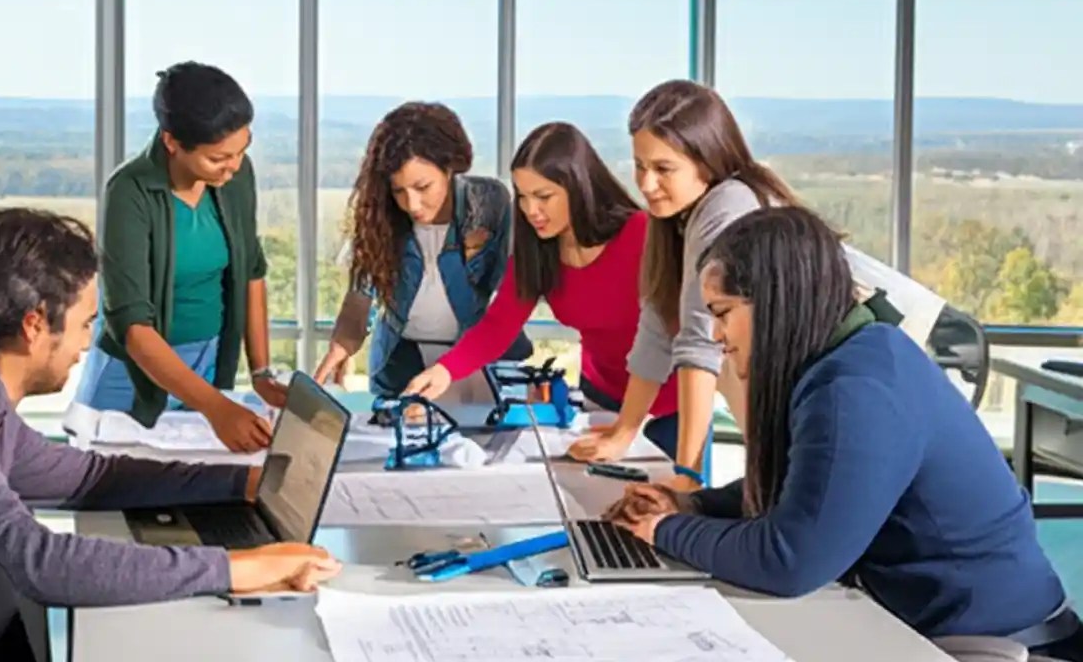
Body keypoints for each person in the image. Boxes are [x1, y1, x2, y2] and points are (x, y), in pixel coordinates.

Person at [0, 209, 341, 661]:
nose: (90, 341)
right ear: (36, 324)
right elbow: (36, 561)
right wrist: (236, 568)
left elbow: (89, 476)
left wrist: (236, 484)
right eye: (86, 322)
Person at [603, 206, 1082, 660]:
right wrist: (694, 505)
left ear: (773, 303)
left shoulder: (856, 390)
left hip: (999, 644)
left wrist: (664, 530)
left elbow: (790, 561)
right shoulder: (852, 357)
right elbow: (811, 491)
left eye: (723, 312)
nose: (716, 334)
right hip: (943, 626)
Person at [567, 80, 802, 490]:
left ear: (707, 161)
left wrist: (688, 475)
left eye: (663, 169)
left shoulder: (728, 206)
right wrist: (624, 430)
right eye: (640, 165)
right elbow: (659, 319)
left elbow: (699, 342)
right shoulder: (680, 217)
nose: (645, 184)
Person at [404, 122, 679, 445]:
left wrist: (630, 427)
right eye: (522, 196)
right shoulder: (536, 247)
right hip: (599, 397)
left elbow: (675, 331)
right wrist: (444, 372)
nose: (531, 210)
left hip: (666, 406)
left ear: (578, 187)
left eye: (543, 196)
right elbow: (499, 324)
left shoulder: (642, 236)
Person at [75, 61, 286, 453]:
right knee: (114, 484)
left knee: (192, 485)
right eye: (218, 158)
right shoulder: (129, 191)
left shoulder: (236, 176)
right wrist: (217, 409)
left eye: (242, 150)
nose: (234, 166)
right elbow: (132, 326)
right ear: (172, 142)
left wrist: (260, 371)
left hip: (207, 362)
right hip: (133, 370)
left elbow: (251, 272)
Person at [315, 101, 530, 395]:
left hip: (473, 360)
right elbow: (359, 299)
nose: (411, 205)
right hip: (400, 365)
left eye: (423, 187)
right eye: (399, 191)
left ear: (450, 169)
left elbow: (512, 290)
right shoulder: (380, 217)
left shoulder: (489, 202)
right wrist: (341, 348)